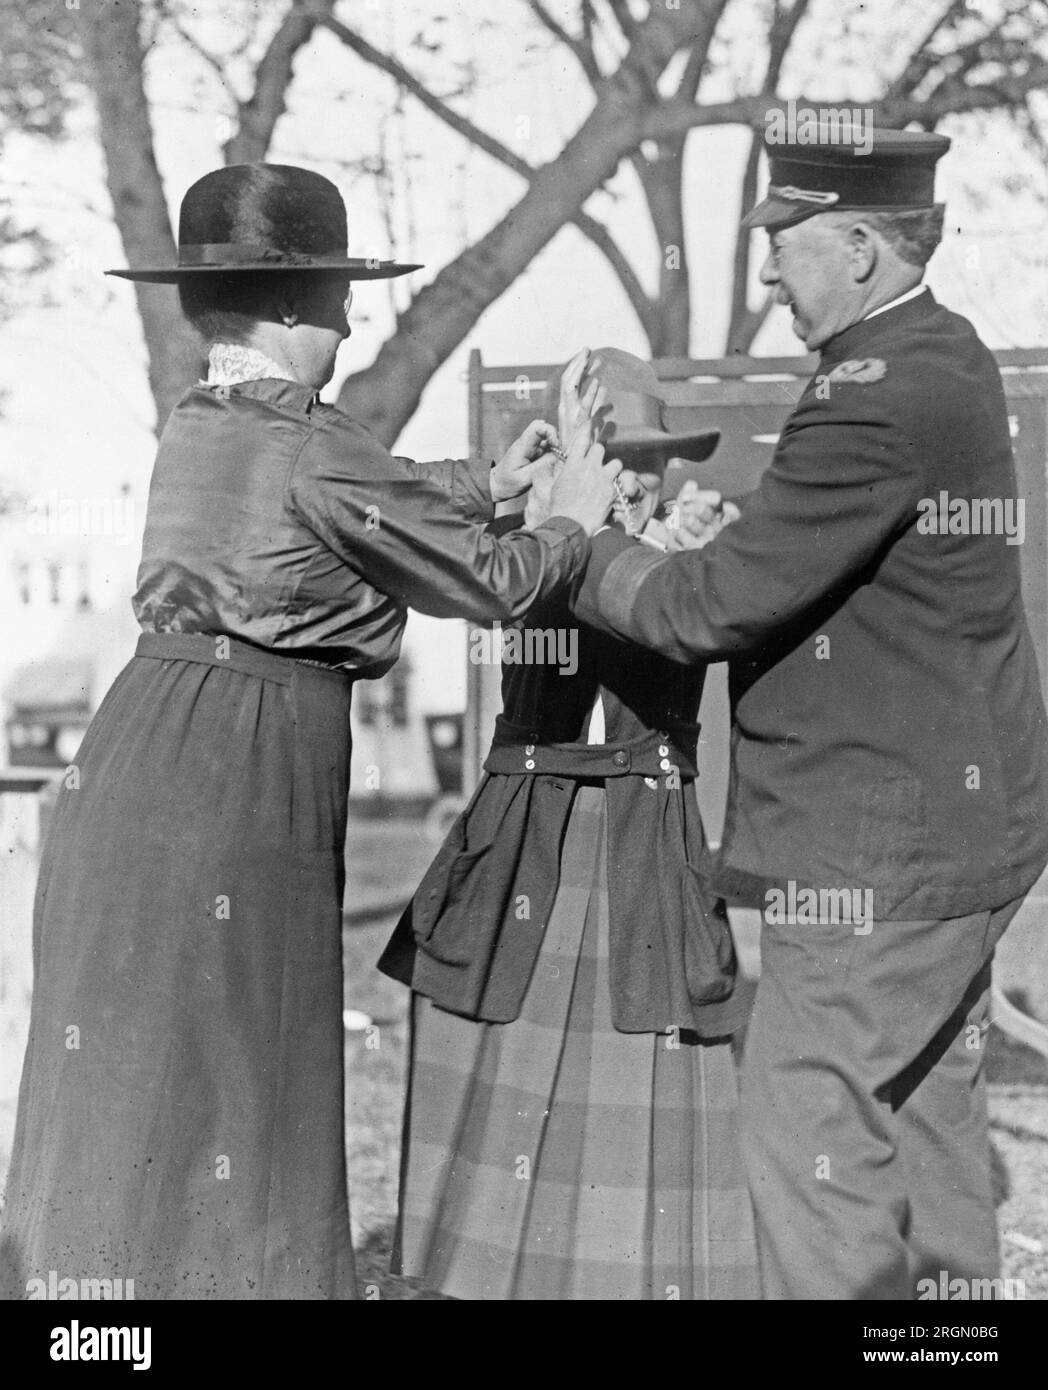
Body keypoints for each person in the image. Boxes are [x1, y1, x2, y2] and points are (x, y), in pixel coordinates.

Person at [0, 162, 618, 1301]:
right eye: (336, 291)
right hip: (232, 775)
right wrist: (569, 512)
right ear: (289, 309)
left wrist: (484, 477)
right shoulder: (309, 440)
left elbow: (350, 497)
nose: (350, 311)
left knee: (155, 1067)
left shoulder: (211, 419)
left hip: (147, 747)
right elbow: (493, 584)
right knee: (242, 1061)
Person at [570, 129, 1048, 1299]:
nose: (768, 276)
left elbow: (710, 614)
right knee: (927, 1131)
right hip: (961, 838)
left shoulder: (873, 397)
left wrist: (591, 540)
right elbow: (832, 564)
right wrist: (726, 549)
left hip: (877, 850)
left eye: (781, 249)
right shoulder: (942, 354)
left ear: (861, 246)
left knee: (805, 1134)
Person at [378, 349, 759, 1301]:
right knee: (501, 1065)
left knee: (644, 1073)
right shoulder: (539, 546)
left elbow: (680, 621)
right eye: (617, 451)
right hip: (529, 845)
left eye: (654, 457)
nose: (636, 473)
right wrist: (659, 552)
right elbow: (587, 599)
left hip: (643, 849)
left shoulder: (681, 561)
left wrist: (683, 558)